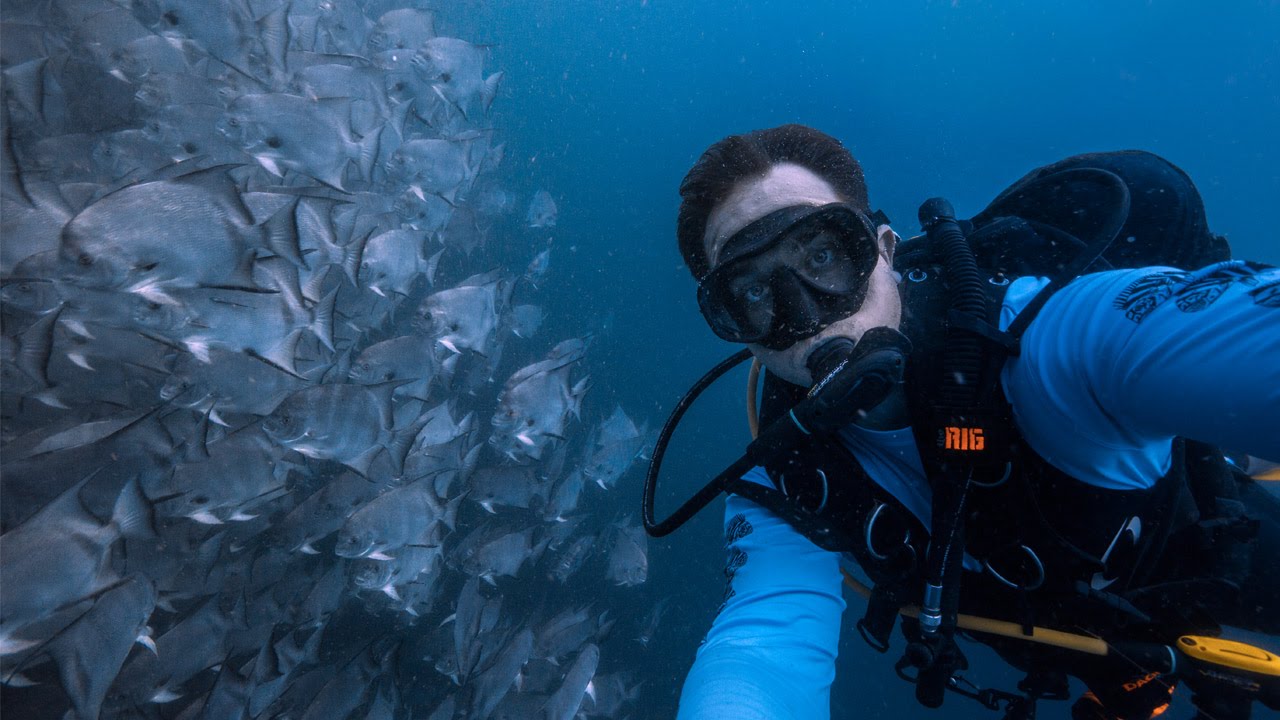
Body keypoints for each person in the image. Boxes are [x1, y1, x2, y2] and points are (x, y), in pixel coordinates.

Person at [669, 125, 1280, 720]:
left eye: (824, 254)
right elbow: (762, 650)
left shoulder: (1049, 343)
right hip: (1107, 649)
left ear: (884, 250)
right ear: (736, 332)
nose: (804, 313)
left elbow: (1212, 335)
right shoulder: (786, 479)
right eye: (752, 293)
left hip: (1222, 553)